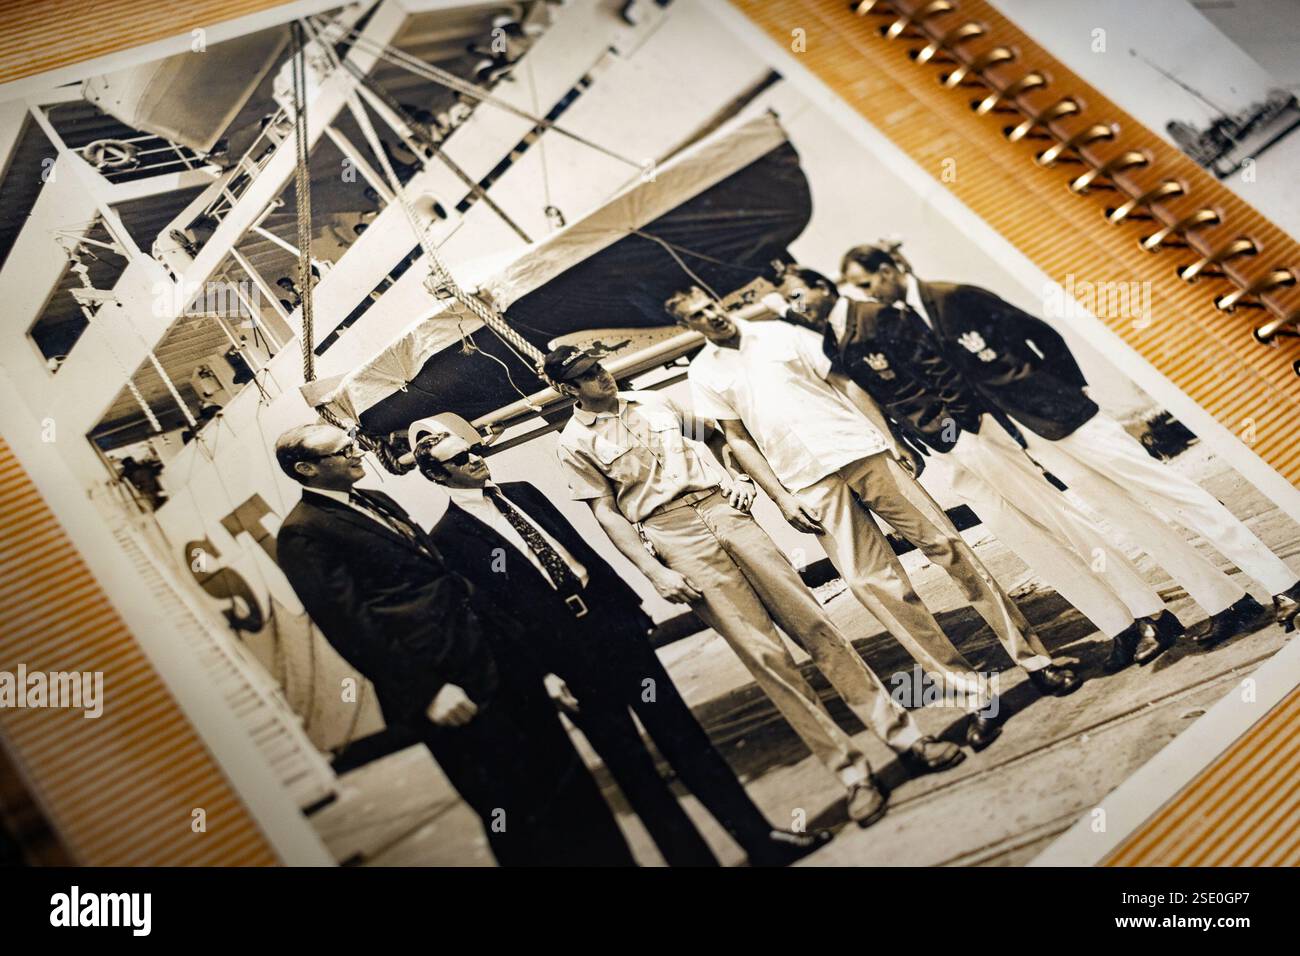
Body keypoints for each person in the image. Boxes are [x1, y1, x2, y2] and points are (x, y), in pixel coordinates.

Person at [544, 347, 965, 828]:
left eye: (599, 367)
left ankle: (906, 738)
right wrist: (654, 572)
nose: (602, 377)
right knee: (767, 657)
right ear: (567, 390)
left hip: (726, 512)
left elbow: (720, 438)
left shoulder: (655, 403)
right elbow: (607, 513)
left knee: (818, 629)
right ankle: (853, 775)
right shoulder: (574, 443)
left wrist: (738, 476)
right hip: (674, 535)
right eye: (587, 376)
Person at [664, 283, 1083, 749]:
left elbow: (846, 384)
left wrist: (890, 439)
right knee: (876, 587)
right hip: (806, 482)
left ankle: (1036, 661)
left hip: (863, 452)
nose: (713, 314)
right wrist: (781, 497)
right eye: (699, 314)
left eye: (712, 303)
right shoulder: (703, 372)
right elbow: (737, 439)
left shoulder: (781, 333)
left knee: (949, 548)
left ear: (721, 301)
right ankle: (974, 697)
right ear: (688, 326)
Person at [840, 243, 1300, 651]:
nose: (869, 294)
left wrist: (1071, 390)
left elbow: (1041, 334)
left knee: (1174, 494)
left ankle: (1285, 583)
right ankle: (1226, 602)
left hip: (1066, 415)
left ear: (889, 268)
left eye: (867, 282)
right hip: (1031, 434)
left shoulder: (953, 296)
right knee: (1127, 515)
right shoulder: (907, 324)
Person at [412, 421, 831, 866]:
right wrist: (542, 674)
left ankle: (761, 841)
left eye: (475, 449)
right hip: (567, 659)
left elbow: (579, 551)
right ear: (437, 476)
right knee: (635, 770)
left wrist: (630, 611)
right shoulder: (449, 537)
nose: (475, 459)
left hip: (612, 631)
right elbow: (494, 617)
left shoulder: (521, 491)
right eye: (460, 459)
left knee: (687, 740)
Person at [272, 423, 634, 866]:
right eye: (342, 450)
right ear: (306, 468)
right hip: (449, 689)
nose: (357, 452)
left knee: (570, 785)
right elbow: (349, 625)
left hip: (500, 665)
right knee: (515, 812)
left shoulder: (376, 501)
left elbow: (450, 583)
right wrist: (427, 691)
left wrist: (535, 665)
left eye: (351, 444)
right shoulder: (303, 533)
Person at [808, 254, 1181, 673]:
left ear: (822, 287)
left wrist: (959, 425)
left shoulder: (879, 316)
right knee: (1025, 539)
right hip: (941, 447)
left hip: (967, 433)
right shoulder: (831, 338)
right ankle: (1118, 624)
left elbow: (937, 367)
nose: (794, 304)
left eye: (796, 293)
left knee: (1057, 519)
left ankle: (1152, 614)